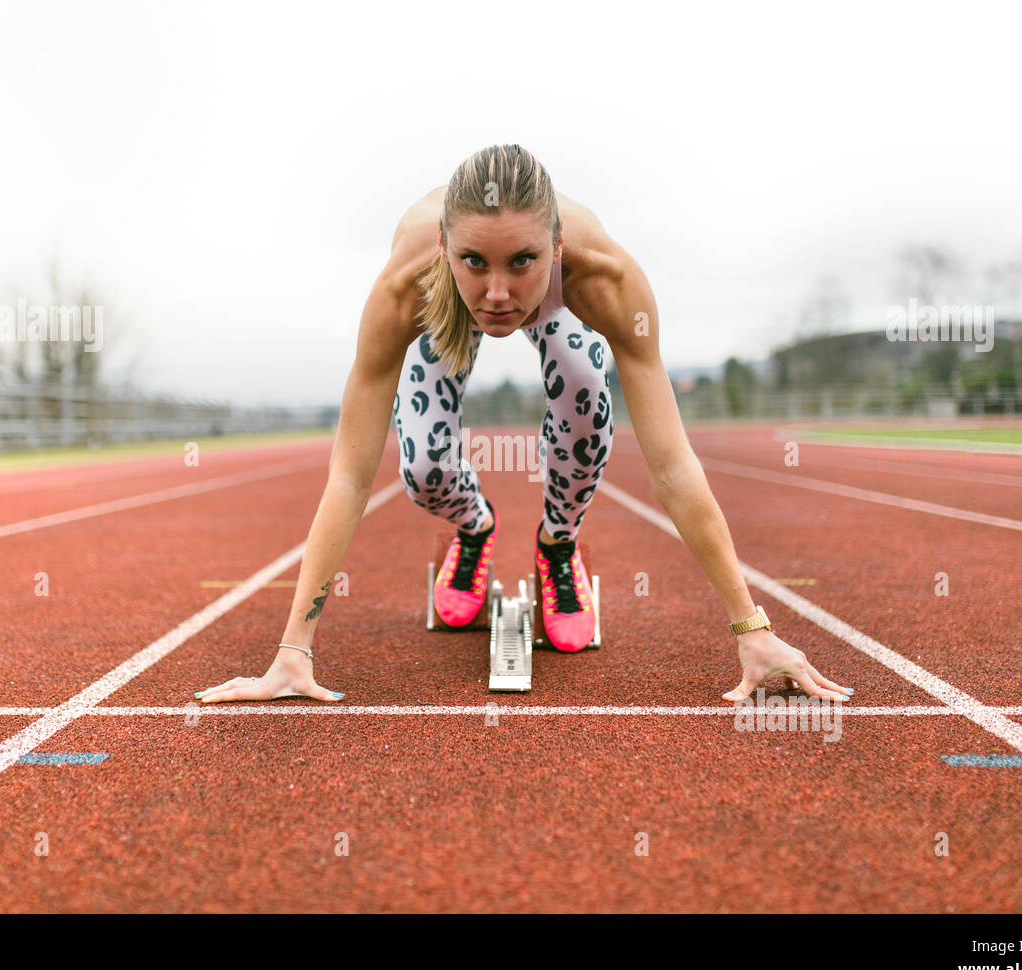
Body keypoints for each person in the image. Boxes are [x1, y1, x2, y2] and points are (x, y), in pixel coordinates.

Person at [196, 144, 852, 706]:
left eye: (523, 262)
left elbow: (674, 468)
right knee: (421, 465)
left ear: (558, 247)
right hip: (439, 305)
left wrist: (753, 629)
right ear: (448, 249)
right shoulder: (407, 286)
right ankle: (474, 528)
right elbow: (348, 475)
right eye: (476, 261)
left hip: (562, 309)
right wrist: (292, 651)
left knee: (586, 380)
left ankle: (558, 545)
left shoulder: (608, 280)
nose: (499, 294)